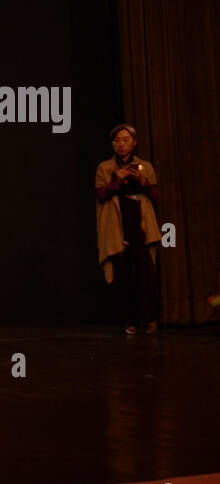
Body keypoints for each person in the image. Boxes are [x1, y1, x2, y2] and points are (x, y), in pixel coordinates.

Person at [95, 124, 161, 334]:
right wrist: (118, 178)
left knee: (146, 275)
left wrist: (142, 181)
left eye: (125, 140)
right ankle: (130, 321)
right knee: (124, 276)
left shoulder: (145, 165)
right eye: (117, 141)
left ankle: (151, 319)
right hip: (117, 224)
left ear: (134, 143)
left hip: (140, 224)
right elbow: (100, 195)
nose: (121, 144)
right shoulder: (104, 167)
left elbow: (156, 197)